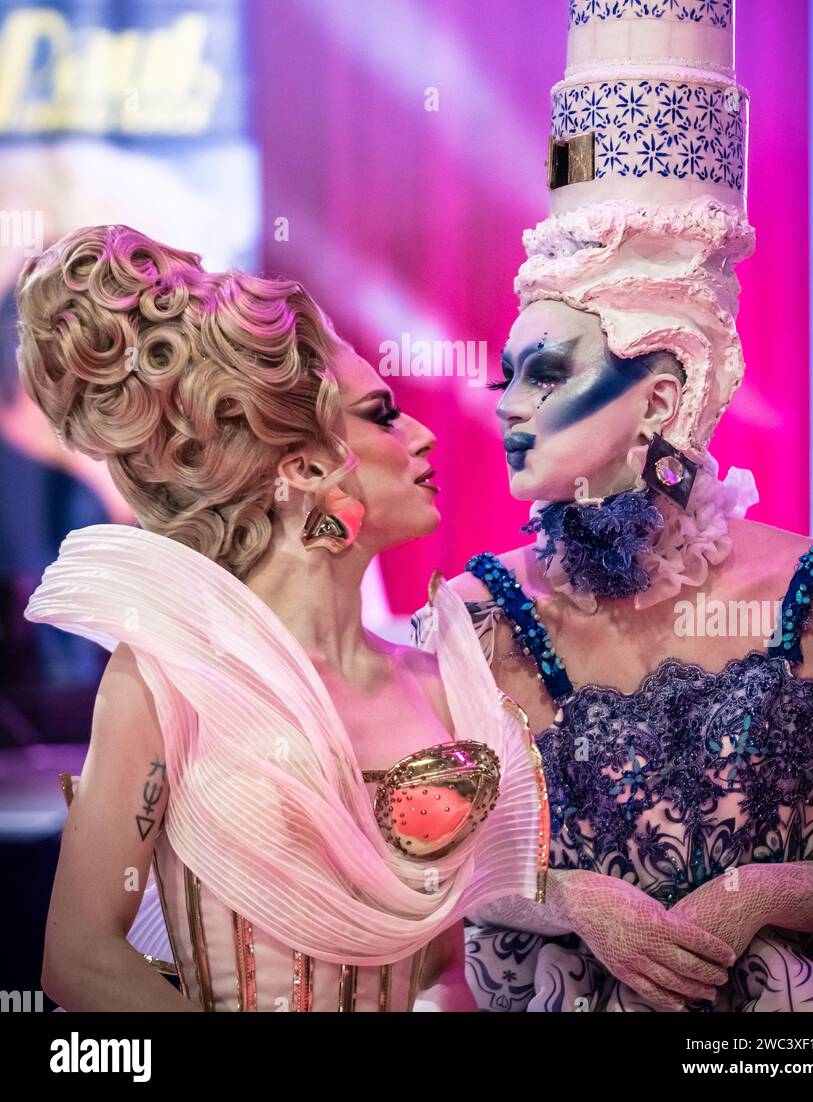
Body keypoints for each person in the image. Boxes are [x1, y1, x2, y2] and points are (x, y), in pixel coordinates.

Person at [411, 0, 813, 1012]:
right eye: (506, 373)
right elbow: (405, 866)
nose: (505, 405)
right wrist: (563, 896)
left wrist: (763, 892)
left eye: (546, 371)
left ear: (666, 395)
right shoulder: (475, 619)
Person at [18, 223, 549, 1013]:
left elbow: (448, 968)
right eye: (383, 413)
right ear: (303, 466)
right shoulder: (171, 675)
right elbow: (79, 958)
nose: (423, 434)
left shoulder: (442, 686)